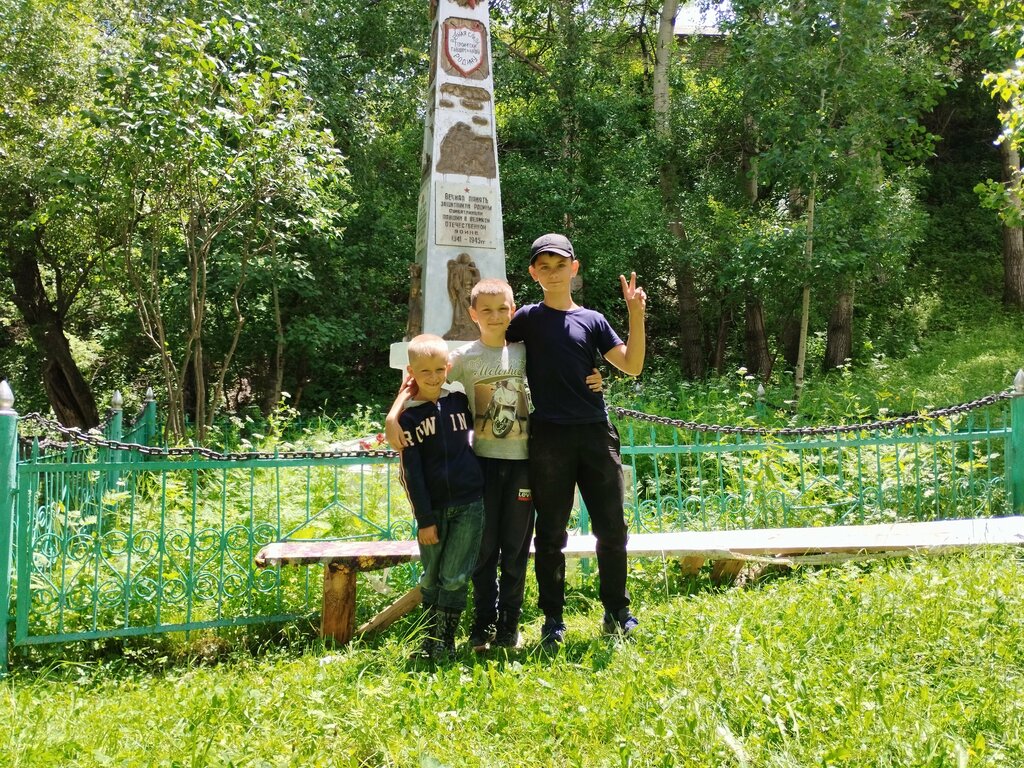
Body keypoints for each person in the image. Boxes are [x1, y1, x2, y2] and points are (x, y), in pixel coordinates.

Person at [388, 279, 604, 652]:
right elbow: (419, 379)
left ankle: (509, 625)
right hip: (482, 469)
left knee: (516, 551)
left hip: (524, 465)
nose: (494, 316)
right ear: (472, 314)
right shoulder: (464, 358)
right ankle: (482, 625)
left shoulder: (525, 351)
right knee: (483, 553)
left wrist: (598, 378)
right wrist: (393, 418)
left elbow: (564, 366)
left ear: (512, 310)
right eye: (485, 310)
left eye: (502, 309)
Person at [505, 232, 647, 650]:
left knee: (612, 528)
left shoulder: (594, 320)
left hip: (594, 433)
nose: (553, 272)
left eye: (560, 264)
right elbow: (493, 346)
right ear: (533, 273)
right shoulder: (527, 318)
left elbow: (633, 365)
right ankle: (552, 620)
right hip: (548, 436)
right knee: (550, 533)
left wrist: (634, 313)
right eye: (543, 266)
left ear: (574, 268)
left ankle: (617, 612)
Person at [396, 334, 485, 661]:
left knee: (455, 576)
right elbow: (411, 473)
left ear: (448, 367)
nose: (433, 377)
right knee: (431, 578)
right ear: (411, 372)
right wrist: (425, 520)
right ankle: (427, 640)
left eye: (438, 370)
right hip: (432, 511)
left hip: (469, 504)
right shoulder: (409, 418)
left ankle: (445, 642)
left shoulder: (459, 402)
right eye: (424, 372)